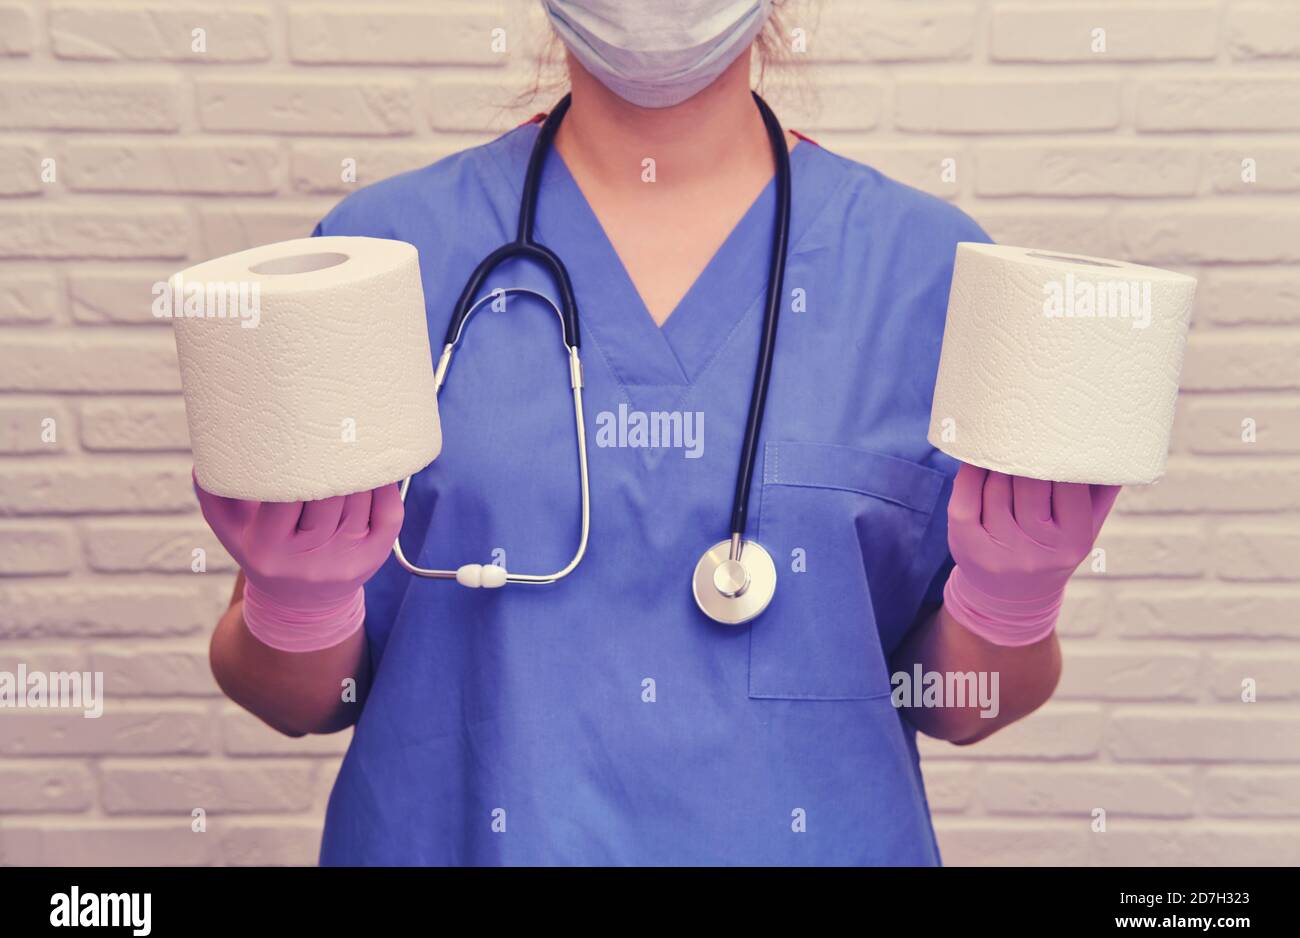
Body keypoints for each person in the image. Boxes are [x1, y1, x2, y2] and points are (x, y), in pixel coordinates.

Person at [197, 0, 1120, 865]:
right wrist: (293, 606)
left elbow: (963, 710)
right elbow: (301, 703)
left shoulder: (923, 268)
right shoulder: (378, 257)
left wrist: (1012, 597)